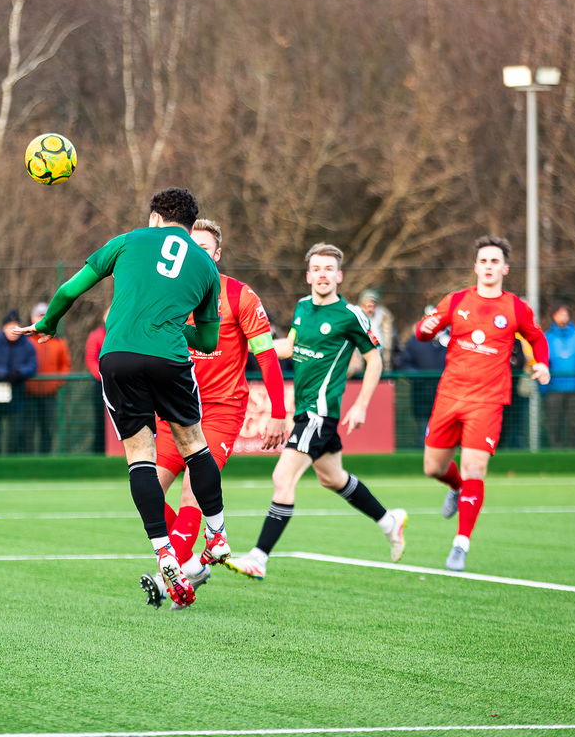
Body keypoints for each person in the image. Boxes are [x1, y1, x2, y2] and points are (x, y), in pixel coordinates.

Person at [16, 187, 229, 608]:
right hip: (169, 359)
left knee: (140, 456)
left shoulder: (128, 240)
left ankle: (163, 551)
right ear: (190, 225)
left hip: (118, 358)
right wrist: (167, 324)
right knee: (194, 446)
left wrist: (49, 323)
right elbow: (207, 339)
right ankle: (218, 534)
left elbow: (69, 290)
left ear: (154, 217)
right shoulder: (206, 265)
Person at [224, 243, 407, 583]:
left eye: (329, 269)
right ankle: (389, 521)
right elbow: (290, 347)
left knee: (283, 478)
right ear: (308, 276)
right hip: (305, 410)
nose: (322, 275)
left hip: (320, 413)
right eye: (317, 269)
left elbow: (374, 359)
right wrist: (245, 345)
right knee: (332, 478)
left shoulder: (350, 315)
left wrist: (362, 405)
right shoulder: (303, 307)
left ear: (338, 276)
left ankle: (259, 557)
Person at [138, 219, 289, 609]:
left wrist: (277, 411)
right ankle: (190, 562)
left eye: (206, 248)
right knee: (147, 489)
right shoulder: (169, 295)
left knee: (192, 489)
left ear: (217, 255)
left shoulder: (239, 295)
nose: (199, 253)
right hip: (174, 408)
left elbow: (268, 357)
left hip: (221, 411)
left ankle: (170, 572)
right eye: (192, 247)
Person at [413, 235, 549, 572]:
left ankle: (461, 544)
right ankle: (457, 489)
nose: (488, 267)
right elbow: (422, 333)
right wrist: (425, 328)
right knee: (433, 467)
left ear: (505, 268)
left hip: (488, 401)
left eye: (494, 262)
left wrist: (542, 363)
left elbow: (536, 337)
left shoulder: (516, 307)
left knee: (476, 468)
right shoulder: (457, 300)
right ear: (476, 267)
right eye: (483, 261)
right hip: (450, 395)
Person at [0, 309, 38, 454]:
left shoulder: (27, 345)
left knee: (15, 433)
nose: (12, 330)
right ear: (3, 328)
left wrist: (19, 373)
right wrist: (3, 374)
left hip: (17, 394)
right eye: (9, 326)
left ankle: (10, 462)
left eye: (15, 327)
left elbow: (32, 366)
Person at [541, 304, 575, 448]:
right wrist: (544, 387)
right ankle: (555, 453)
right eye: (559, 314)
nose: (562, 317)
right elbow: (542, 362)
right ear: (553, 316)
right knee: (554, 424)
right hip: (553, 390)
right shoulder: (547, 337)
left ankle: (573, 453)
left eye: (565, 314)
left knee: (574, 425)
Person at [395, 307, 449, 446]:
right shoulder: (415, 341)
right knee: (423, 430)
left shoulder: (450, 340)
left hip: (447, 394)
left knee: (446, 429)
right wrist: (418, 378)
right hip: (422, 394)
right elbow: (404, 362)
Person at [25, 301, 72, 454]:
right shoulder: (26, 341)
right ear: (32, 319)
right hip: (28, 394)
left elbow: (65, 365)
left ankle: (45, 458)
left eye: (44, 316)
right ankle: (28, 458)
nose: (41, 319)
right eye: (38, 316)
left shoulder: (58, 342)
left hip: (50, 394)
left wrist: (56, 383)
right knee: (28, 428)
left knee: (47, 429)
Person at [348, 289, 395, 376]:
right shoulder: (356, 316)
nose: (370, 309)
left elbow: (388, 338)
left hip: (378, 352)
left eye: (373, 306)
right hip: (360, 354)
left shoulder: (383, 316)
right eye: (368, 306)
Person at [83, 308, 109, 454]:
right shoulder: (96, 335)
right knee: (100, 420)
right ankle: (98, 451)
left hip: (120, 383)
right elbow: (91, 359)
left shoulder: (123, 334)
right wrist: (103, 376)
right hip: (101, 384)